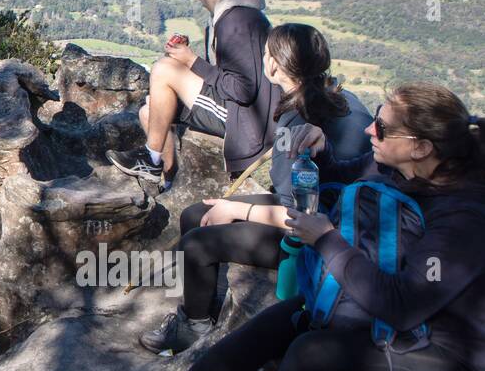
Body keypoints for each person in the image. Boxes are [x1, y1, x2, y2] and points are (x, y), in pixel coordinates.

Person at [87, 84, 485, 371]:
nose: (369, 131)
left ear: (421, 147)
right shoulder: (393, 167)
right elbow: (339, 180)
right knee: (275, 323)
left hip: (441, 356)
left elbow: (402, 306)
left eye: (382, 127)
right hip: (375, 314)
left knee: (310, 353)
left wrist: (326, 240)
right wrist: (320, 155)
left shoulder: (461, 217)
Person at [137, 23, 373, 354]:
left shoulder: (296, 121)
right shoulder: (339, 97)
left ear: (274, 65)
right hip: (337, 213)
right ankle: (207, 310)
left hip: (319, 238)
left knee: (198, 242)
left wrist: (235, 209)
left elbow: (298, 216)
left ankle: (193, 330)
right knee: (195, 214)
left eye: (265, 53)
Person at [108, 0, 274, 190]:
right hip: (237, 109)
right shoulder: (229, 15)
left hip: (246, 121)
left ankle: (150, 159)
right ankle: (169, 180)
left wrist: (190, 61)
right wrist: (187, 56)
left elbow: (243, 90)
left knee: (164, 68)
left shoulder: (236, 22)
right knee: (149, 112)